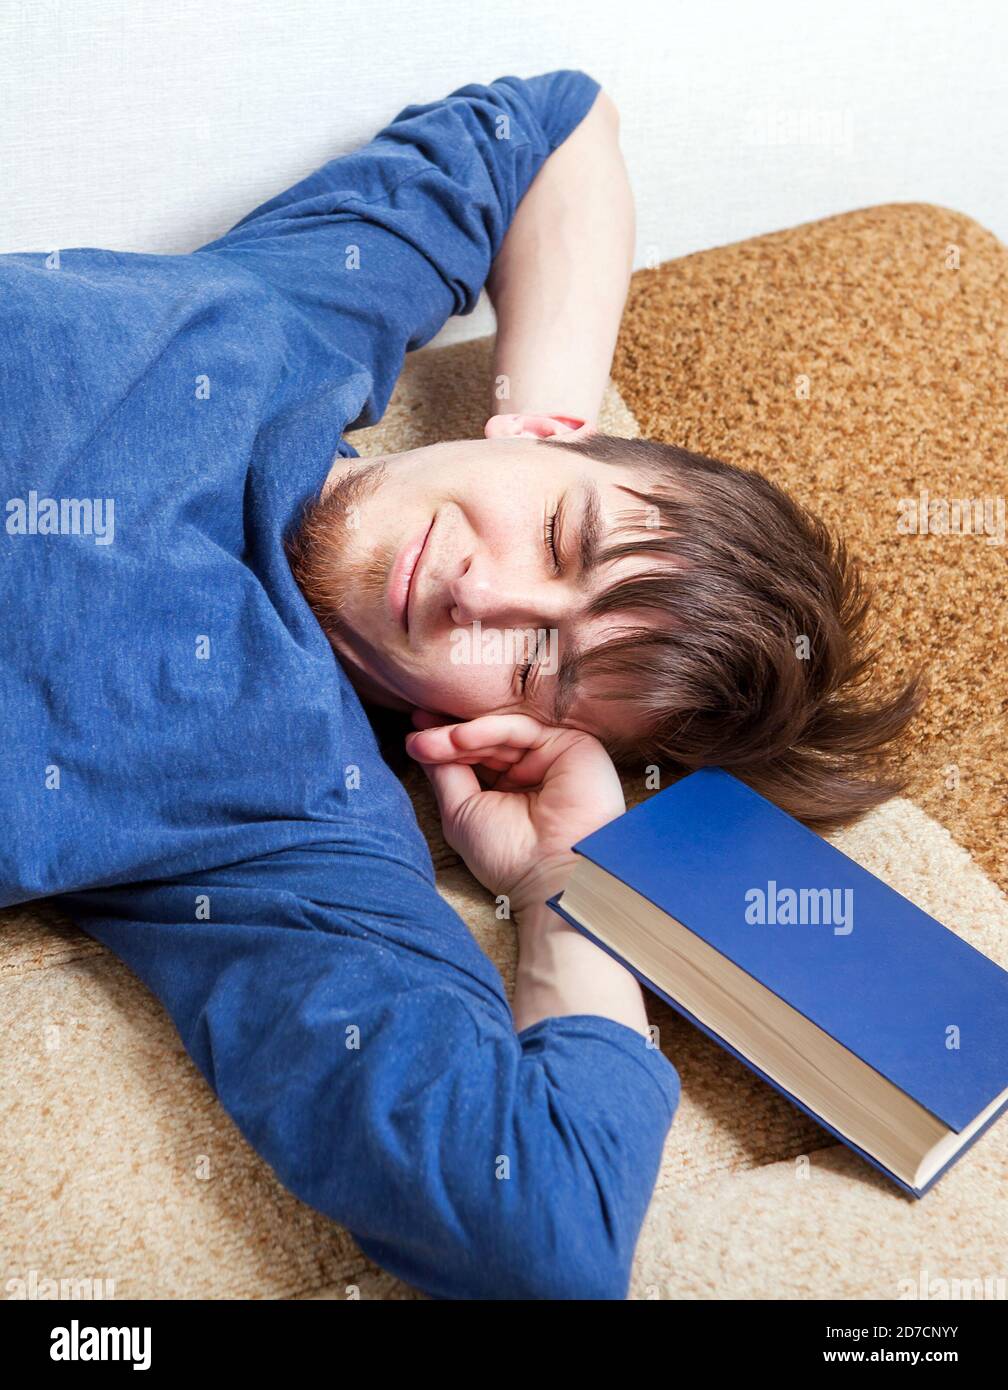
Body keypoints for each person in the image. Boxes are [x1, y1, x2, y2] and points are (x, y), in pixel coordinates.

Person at [1, 69, 918, 1299]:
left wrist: (566, 886)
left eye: (542, 660)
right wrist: (543, 407)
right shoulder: (304, 318)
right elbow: (557, 124)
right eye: (560, 540)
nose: (486, 593)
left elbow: (544, 1235)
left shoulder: (295, 832)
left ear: (501, 730)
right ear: (549, 444)